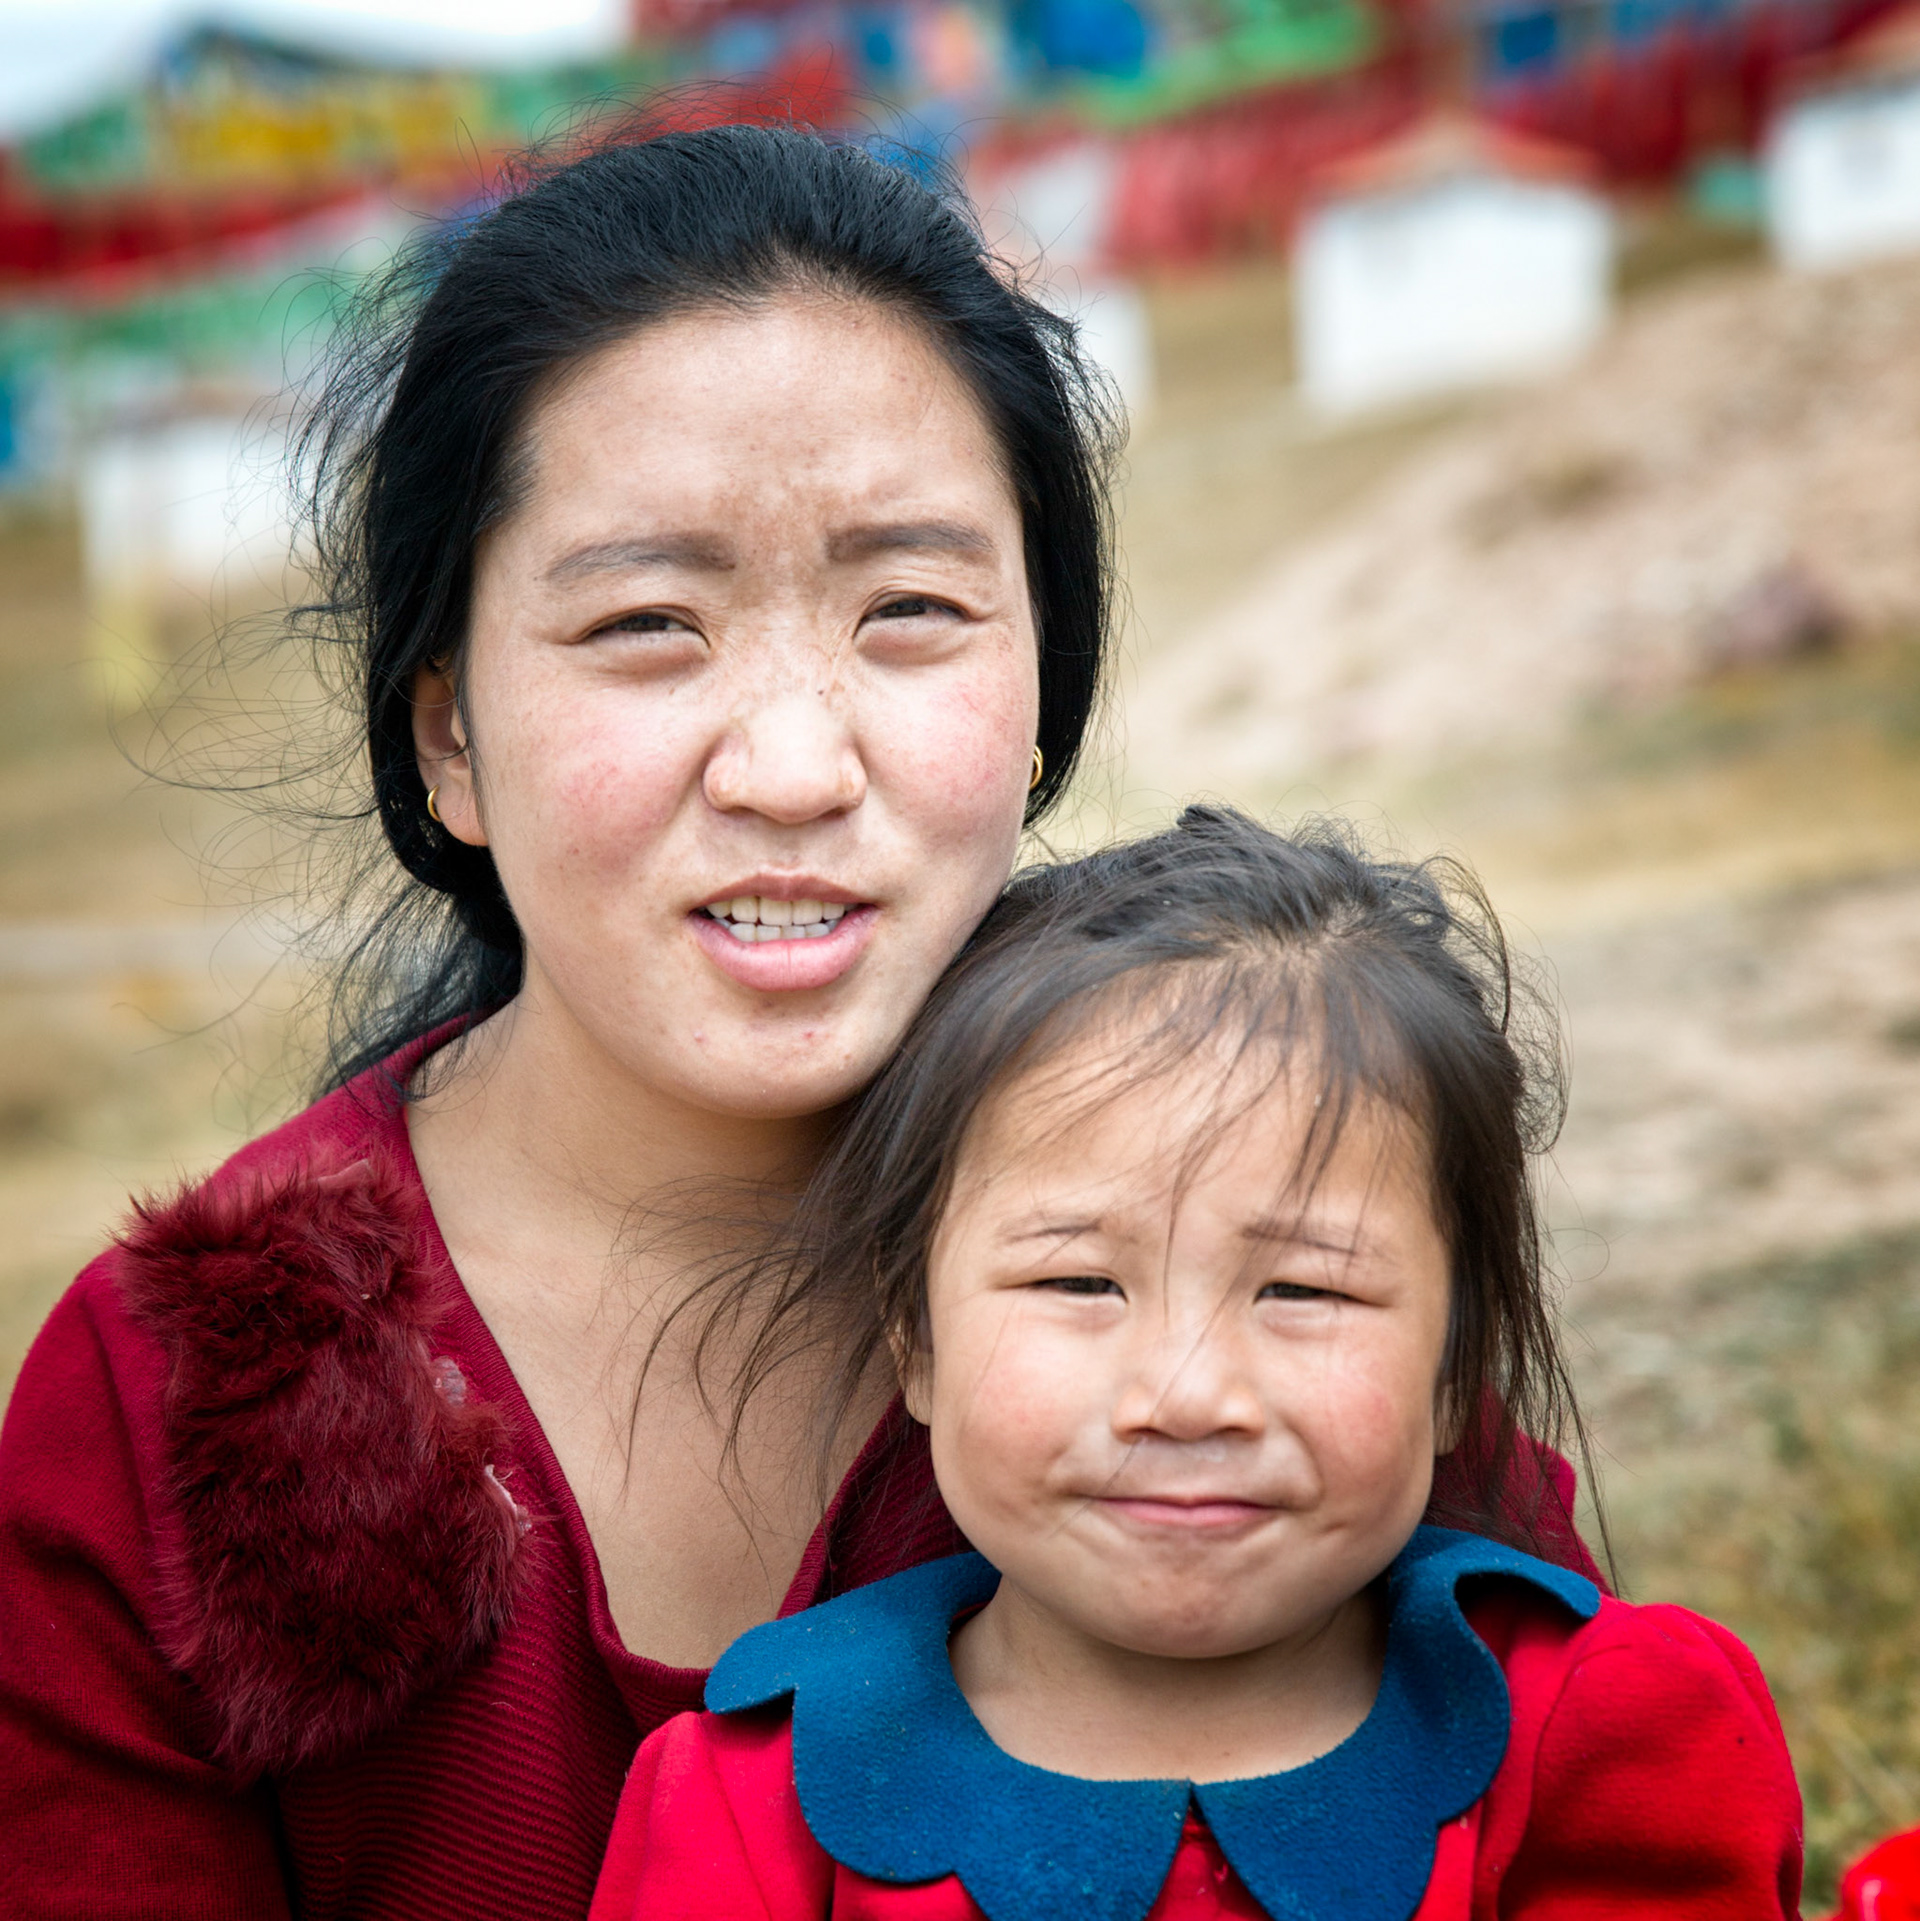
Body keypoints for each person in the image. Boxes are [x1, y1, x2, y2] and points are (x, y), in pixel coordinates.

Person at [0, 121, 1120, 1920]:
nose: (791, 764)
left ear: (1045, 687)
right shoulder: (184, 1397)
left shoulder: (1257, 1216)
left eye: (911, 611)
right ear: (448, 737)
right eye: (648, 625)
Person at [589, 807, 1805, 1921]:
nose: (1184, 1395)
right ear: (917, 1339)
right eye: (1078, 1282)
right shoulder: (749, 1805)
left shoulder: (1605, 1738)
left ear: (1455, 1366)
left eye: (1304, 1290)